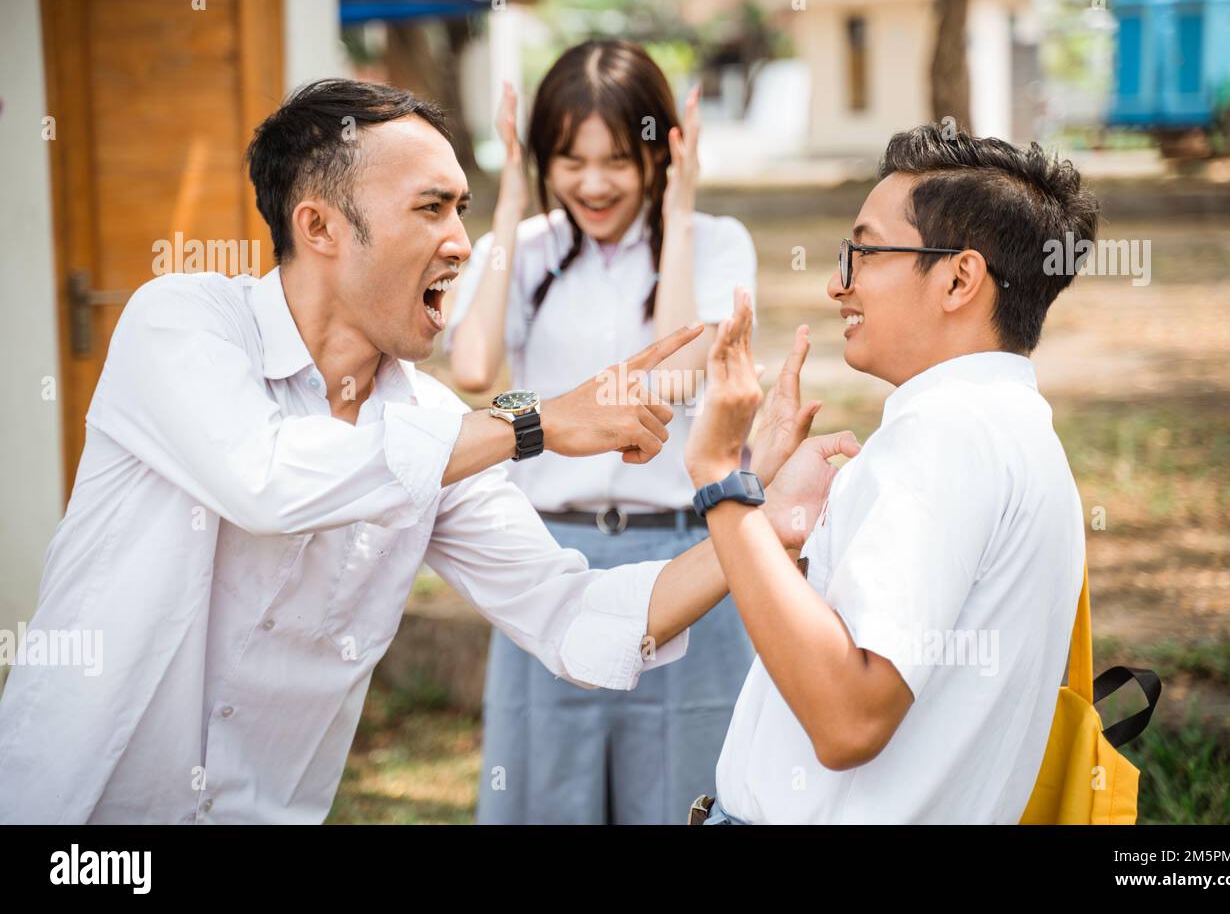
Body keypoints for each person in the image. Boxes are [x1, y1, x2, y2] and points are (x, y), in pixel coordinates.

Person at [0, 78, 836, 824]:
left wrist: (752, 512)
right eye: (430, 208)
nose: (463, 243)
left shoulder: (432, 429)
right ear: (319, 226)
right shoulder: (179, 324)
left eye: (462, 209)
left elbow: (577, 618)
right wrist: (534, 421)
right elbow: (268, 481)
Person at [682, 125, 1099, 824]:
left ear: (959, 278)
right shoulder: (1016, 430)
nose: (837, 283)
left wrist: (721, 480)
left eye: (865, 251)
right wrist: (770, 525)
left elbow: (849, 719)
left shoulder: (945, 435)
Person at [444, 40, 779, 824]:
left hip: (690, 562)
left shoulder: (718, 241)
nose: (593, 184)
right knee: (545, 801)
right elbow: (472, 366)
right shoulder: (517, 252)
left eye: (620, 160)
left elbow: (674, 379)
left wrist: (679, 209)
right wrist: (505, 209)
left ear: (661, 154)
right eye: (569, 159)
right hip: (549, 566)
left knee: (688, 795)